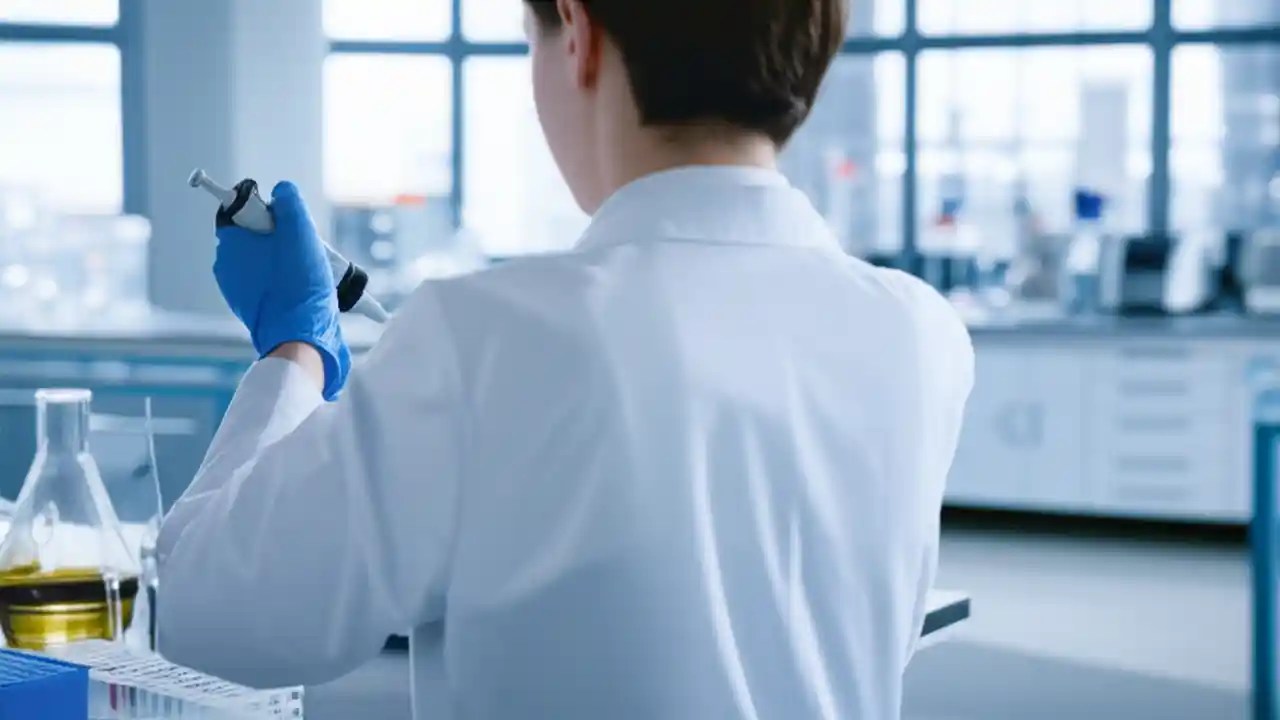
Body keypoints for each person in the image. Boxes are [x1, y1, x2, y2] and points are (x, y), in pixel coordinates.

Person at [157, 0, 974, 717]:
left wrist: (293, 350)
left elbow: (214, 612)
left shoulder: (486, 337)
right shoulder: (919, 333)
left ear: (578, 31)